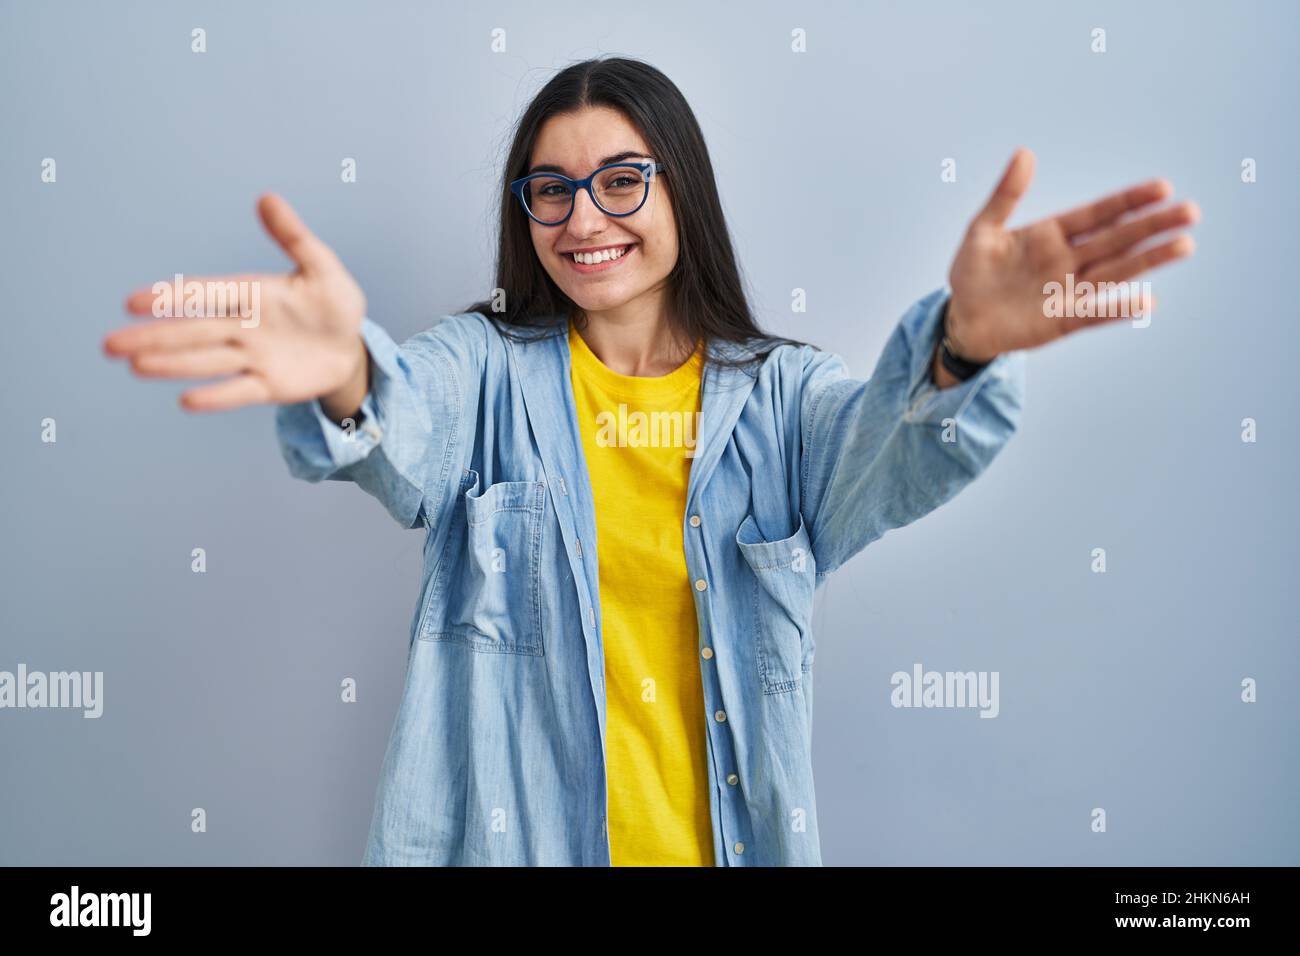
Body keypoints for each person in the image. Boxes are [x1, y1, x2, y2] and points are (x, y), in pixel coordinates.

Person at [103, 56, 1199, 866]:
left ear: (682, 189)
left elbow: (886, 454)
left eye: (620, 180)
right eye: (550, 189)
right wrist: (342, 366)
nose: (583, 217)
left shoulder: (783, 399)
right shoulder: (480, 368)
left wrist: (960, 346)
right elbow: (405, 428)